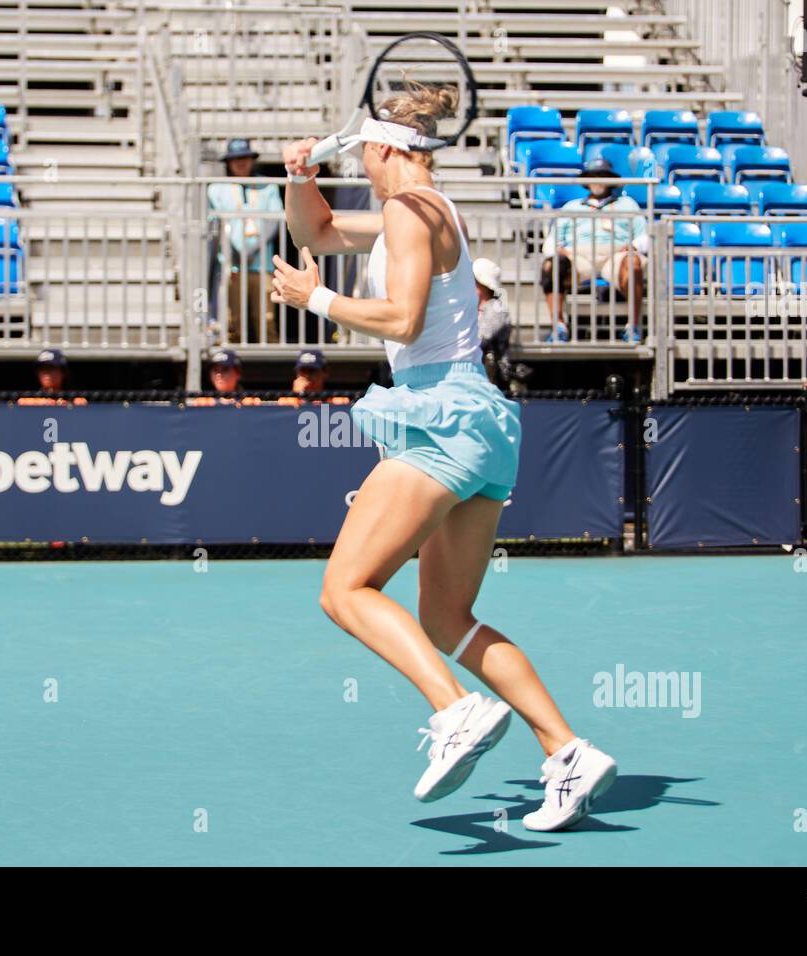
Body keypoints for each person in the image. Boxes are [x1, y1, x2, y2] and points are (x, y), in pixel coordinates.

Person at [272, 82, 616, 830]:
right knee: (447, 616)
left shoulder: (405, 210)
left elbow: (400, 316)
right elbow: (323, 233)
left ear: (388, 147)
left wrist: (316, 301)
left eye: (365, 147)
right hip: (482, 427)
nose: (360, 159)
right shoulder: (428, 209)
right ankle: (567, 751)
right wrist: (300, 178)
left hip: (443, 419)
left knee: (345, 589)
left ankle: (457, 710)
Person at [541, 157, 646, 340]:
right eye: (594, 175)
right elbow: (552, 241)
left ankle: (633, 326)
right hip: (579, 255)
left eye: (603, 175)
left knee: (634, 262)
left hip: (616, 254)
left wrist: (634, 246)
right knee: (552, 265)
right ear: (587, 180)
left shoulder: (628, 204)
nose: (598, 180)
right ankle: (559, 326)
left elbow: (644, 235)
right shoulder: (571, 207)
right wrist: (557, 250)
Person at [207, 138, 283, 346]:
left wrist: (251, 250)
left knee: (266, 319)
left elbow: (274, 222)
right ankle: (229, 361)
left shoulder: (268, 186)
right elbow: (216, 227)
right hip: (231, 266)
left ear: (252, 160)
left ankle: (273, 365)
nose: (241, 162)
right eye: (236, 159)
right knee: (232, 321)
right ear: (228, 162)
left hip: (262, 264)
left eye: (245, 158)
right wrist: (235, 254)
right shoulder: (216, 189)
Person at [471, 257, 521, 393]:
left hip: (493, 376)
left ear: (481, 284)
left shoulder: (497, 309)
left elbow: (481, 339)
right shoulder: (469, 307)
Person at [18, 348, 86, 406]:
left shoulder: (73, 399)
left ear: (63, 372)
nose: (46, 372)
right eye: (42, 368)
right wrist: (43, 402)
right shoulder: (30, 398)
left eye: (50, 368)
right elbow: (21, 402)